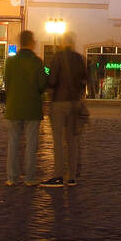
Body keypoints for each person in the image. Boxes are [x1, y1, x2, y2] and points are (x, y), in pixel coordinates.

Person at [41, 35, 87, 187]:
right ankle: (72, 176)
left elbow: (52, 80)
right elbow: (84, 79)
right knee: (72, 140)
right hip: (74, 103)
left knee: (58, 140)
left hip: (60, 103)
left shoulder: (58, 57)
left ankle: (59, 175)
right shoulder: (79, 58)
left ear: (62, 43)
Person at [2, 31, 46, 187]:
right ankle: (29, 178)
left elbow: (6, 83)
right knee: (31, 144)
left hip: (14, 107)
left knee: (13, 143)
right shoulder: (37, 62)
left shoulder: (10, 62)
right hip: (32, 107)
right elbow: (42, 85)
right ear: (31, 42)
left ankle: (12, 177)